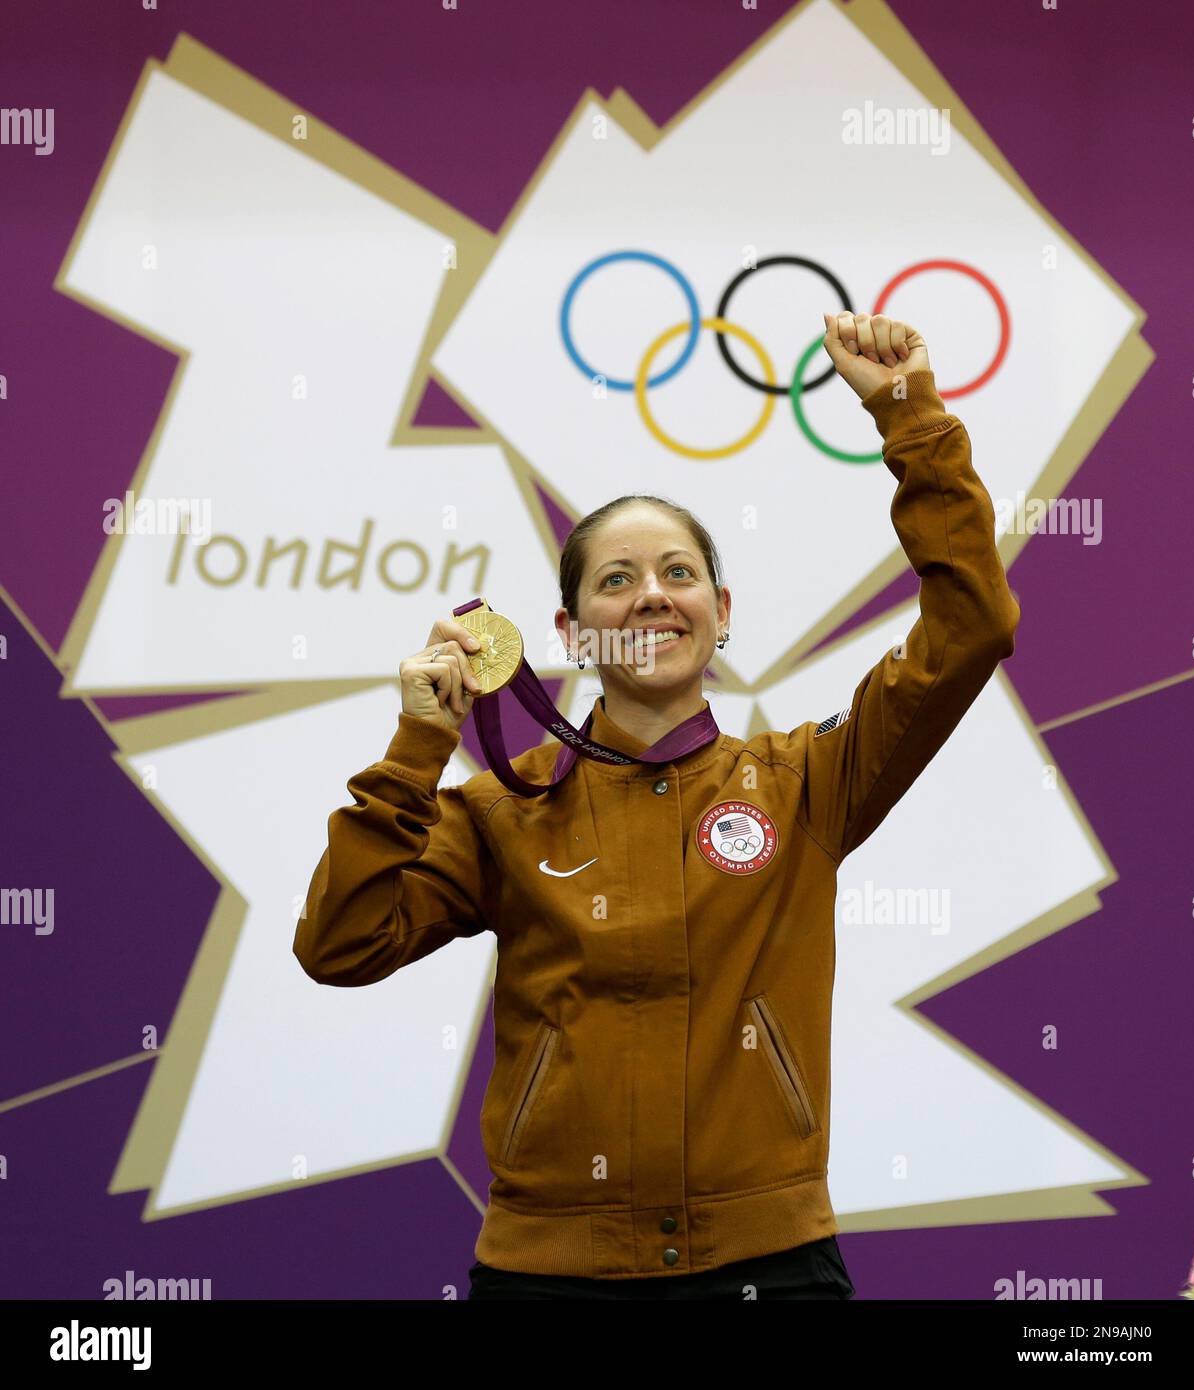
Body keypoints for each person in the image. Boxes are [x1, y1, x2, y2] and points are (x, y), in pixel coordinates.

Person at [294, 311, 1021, 1300]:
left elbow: (970, 624)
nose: (650, 596)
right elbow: (339, 944)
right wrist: (420, 742)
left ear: (722, 614)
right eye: (615, 580)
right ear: (567, 629)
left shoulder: (805, 780)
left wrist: (908, 417)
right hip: (549, 1270)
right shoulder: (501, 807)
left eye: (679, 574)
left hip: (766, 1264)